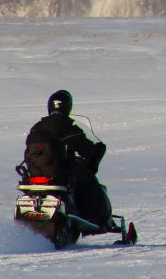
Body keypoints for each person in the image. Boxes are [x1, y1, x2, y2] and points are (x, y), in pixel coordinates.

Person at [23, 89, 113, 229]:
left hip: (35, 174)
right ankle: (98, 220)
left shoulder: (37, 128)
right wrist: (95, 151)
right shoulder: (66, 127)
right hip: (60, 175)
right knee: (89, 181)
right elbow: (85, 148)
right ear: (67, 107)